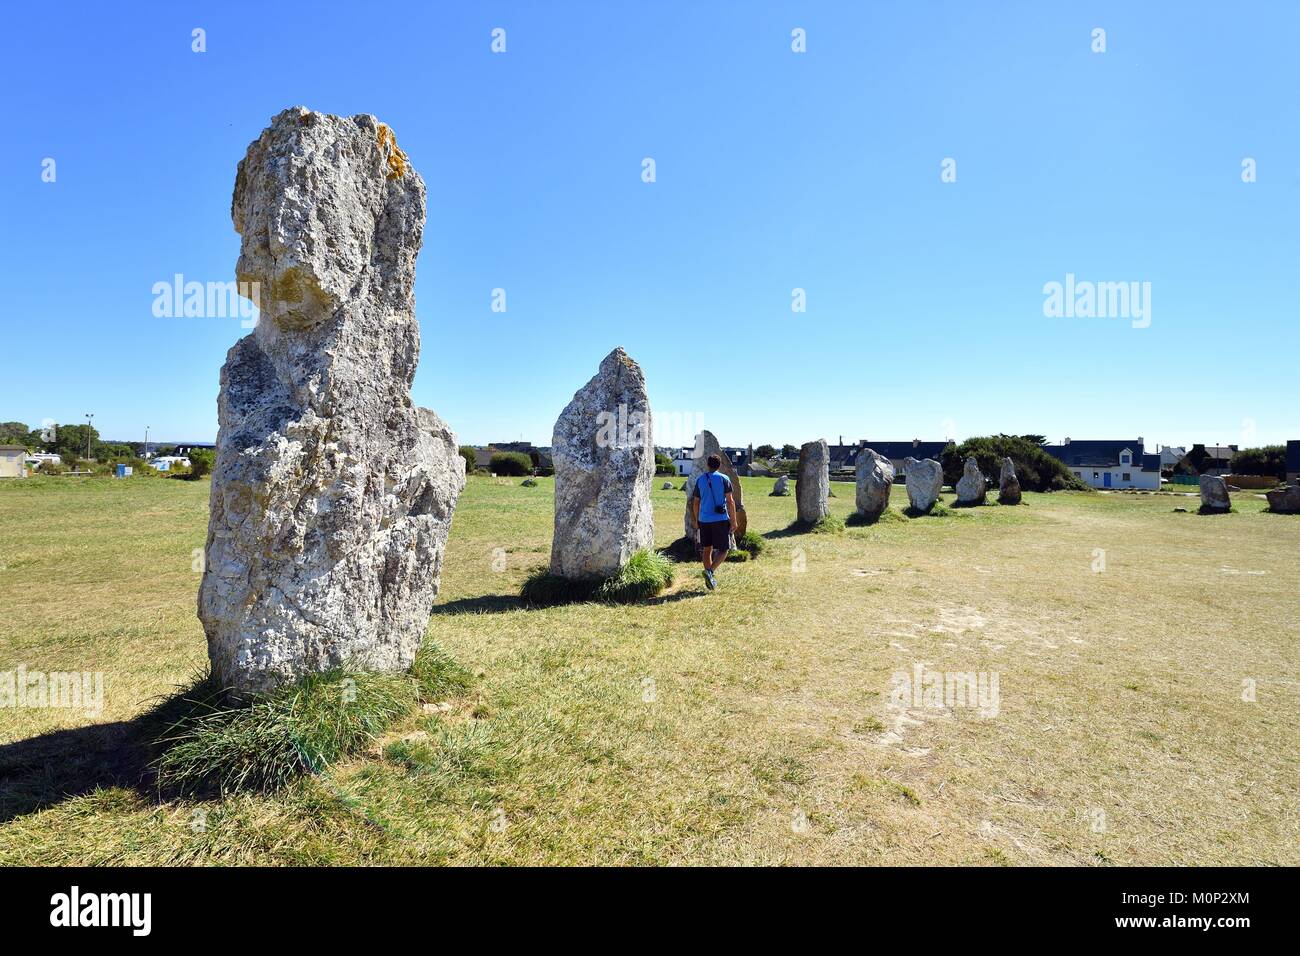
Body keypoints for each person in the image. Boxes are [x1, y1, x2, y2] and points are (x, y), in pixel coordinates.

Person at [691, 454, 737, 591]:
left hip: (704, 520)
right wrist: (734, 521)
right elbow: (730, 502)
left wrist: (697, 520)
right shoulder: (724, 479)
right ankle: (710, 572)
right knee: (724, 549)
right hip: (720, 519)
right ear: (719, 465)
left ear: (707, 464)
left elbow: (696, 502)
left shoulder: (700, 480)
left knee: (707, 549)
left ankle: (709, 579)